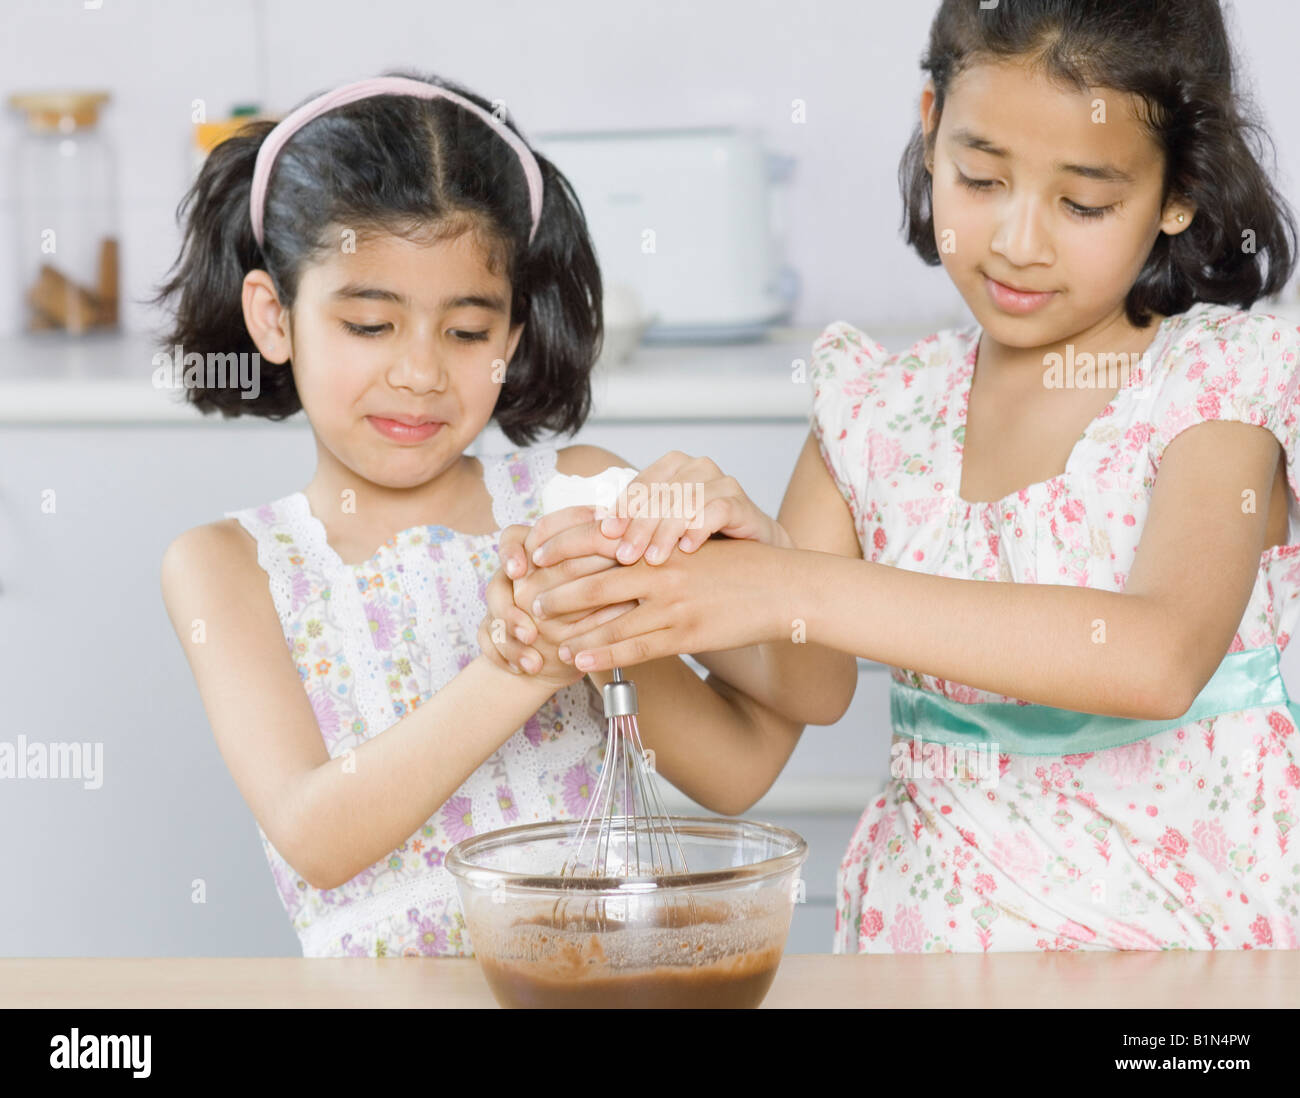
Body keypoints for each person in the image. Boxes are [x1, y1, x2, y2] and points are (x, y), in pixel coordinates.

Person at [485, 1, 1300, 951]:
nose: (1018, 240)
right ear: (930, 126)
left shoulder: (1218, 383)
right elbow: (775, 721)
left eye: (1083, 203)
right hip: (929, 954)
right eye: (980, 177)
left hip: (1194, 974)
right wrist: (618, 606)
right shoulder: (876, 405)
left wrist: (788, 581)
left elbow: (1157, 659)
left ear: (1179, 194)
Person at [156, 69, 805, 958]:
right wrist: (526, 664)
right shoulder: (228, 565)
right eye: (370, 326)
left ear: (511, 334)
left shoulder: (576, 504)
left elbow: (752, 757)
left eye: (465, 332)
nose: (421, 373)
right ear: (274, 316)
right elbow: (317, 837)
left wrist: (760, 552)